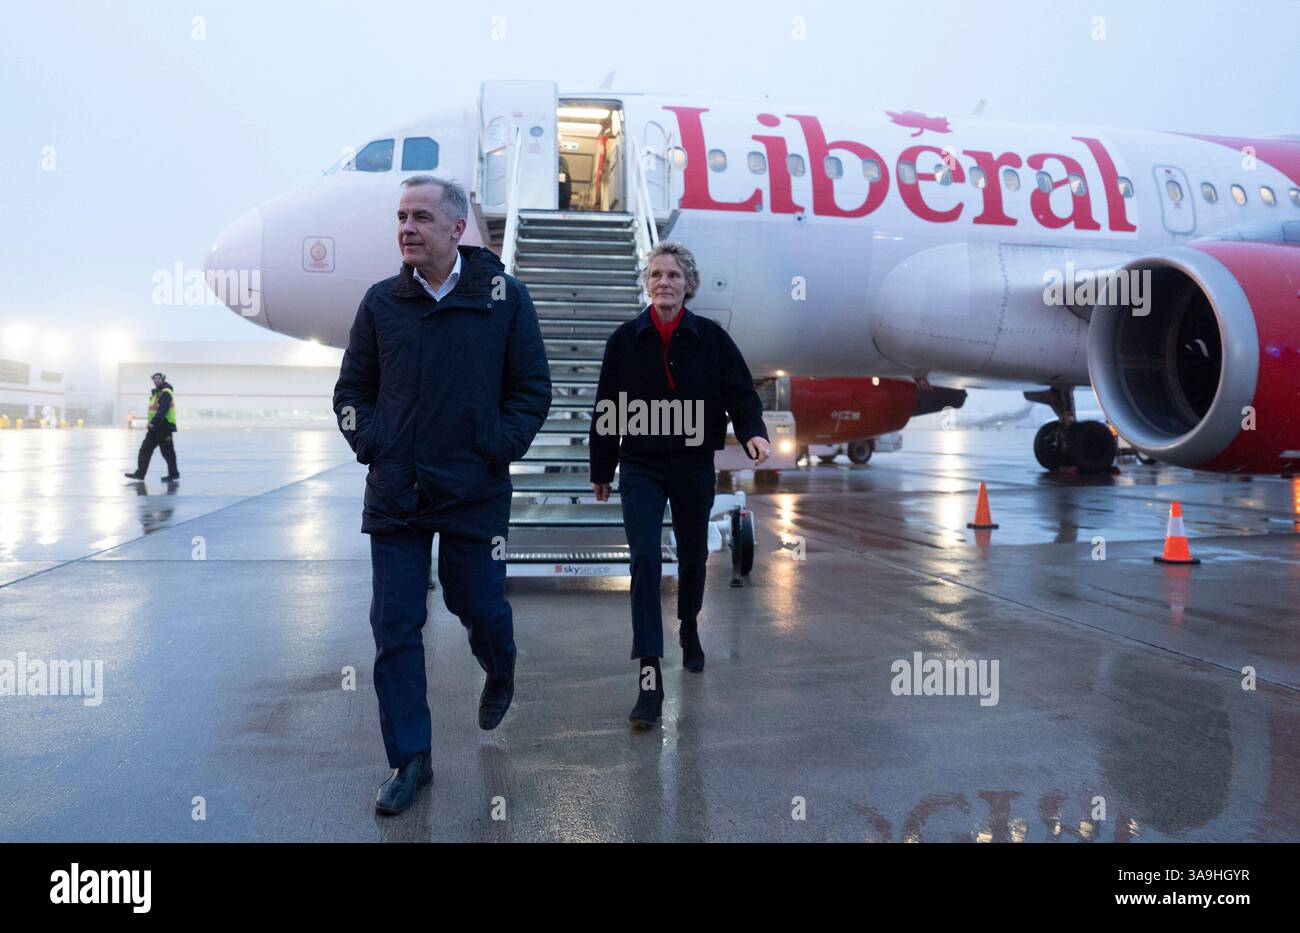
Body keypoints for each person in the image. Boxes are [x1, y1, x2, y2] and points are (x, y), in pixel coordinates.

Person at [333, 175, 551, 815]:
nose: (407, 228)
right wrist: (372, 442)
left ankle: (500, 664)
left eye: (422, 217)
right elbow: (351, 394)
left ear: (458, 229)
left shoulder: (503, 299)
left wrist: (498, 444)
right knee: (394, 626)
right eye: (402, 216)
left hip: (474, 490)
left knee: (476, 603)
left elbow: (531, 389)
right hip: (396, 492)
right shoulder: (380, 304)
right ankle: (410, 758)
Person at [589, 242, 770, 728]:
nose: (663, 282)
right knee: (645, 559)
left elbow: (739, 391)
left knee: (693, 557)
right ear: (647, 283)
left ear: (688, 284)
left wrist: (753, 432)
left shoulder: (711, 338)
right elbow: (608, 406)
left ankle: (689, 625)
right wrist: (602, 468)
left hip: (692, 463)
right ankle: (650, 676)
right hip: (641, 464)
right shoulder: (624, 341)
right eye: (656, 274)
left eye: (672, 275)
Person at [123, 372, 179, 481]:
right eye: (154, 379)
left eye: (158, 378)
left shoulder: (166, 392)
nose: (156, 380)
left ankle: (173, 474)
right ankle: (140, 474)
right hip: (154, 428)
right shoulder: (156, 394)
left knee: (167, 452)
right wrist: (152, 424)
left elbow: (163, 410)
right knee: (145, 450)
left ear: (163, 379)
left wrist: (153, 422)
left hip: (164, 427)